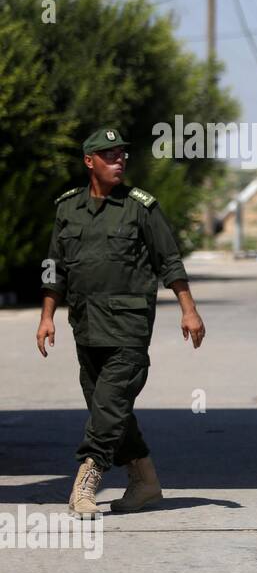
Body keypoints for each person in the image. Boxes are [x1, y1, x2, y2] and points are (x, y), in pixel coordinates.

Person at [37, 127, 206, 518]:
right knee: (106, 406)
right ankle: (145, 481)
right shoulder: (67, 209)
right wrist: (47, 317)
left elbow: (169, 260)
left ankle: (87, 478)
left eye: (122, 155)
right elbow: (53, 269)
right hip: (86, 324)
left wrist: (188, 308)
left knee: (109, 404)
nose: (119, 161)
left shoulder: (140, 207)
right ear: (89, 162)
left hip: (129, 328)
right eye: (110, 155)